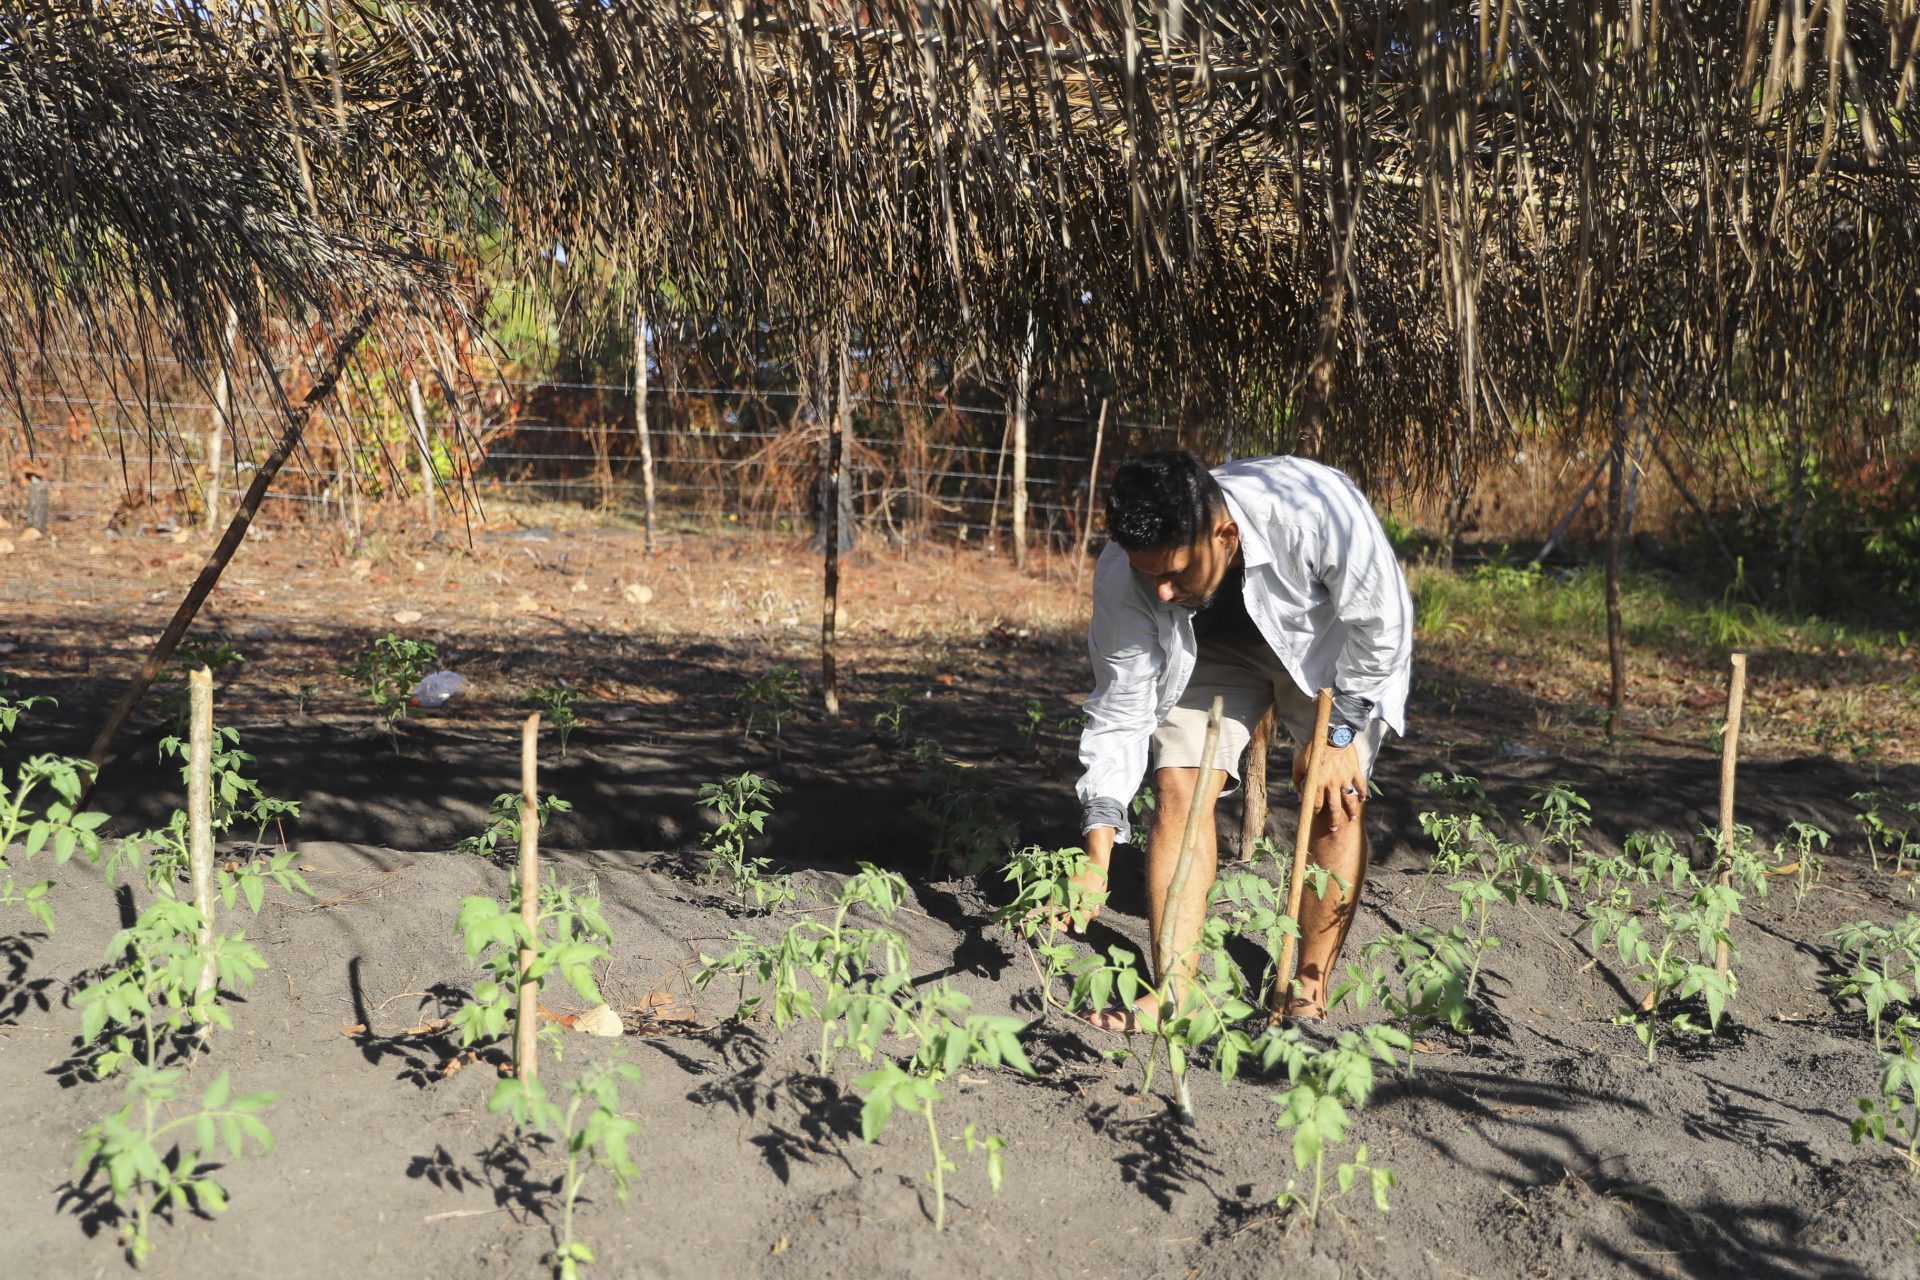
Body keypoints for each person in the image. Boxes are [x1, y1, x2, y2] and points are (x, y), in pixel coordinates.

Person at [1071, 450, 1413, 1028]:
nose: (1161, 589)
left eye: (1176, 573)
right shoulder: (1125, 571)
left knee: (1334, 801)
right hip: (1208, 654)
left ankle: (1308, 980)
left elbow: (1382, 628)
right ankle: (1175, 990)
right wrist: (1097, 855)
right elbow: (1120, 710)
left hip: (1329, 655)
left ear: (1225, 535)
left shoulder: (1312, 510)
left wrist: (1340, 734)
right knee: (1179, 786)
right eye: (1151, 574)